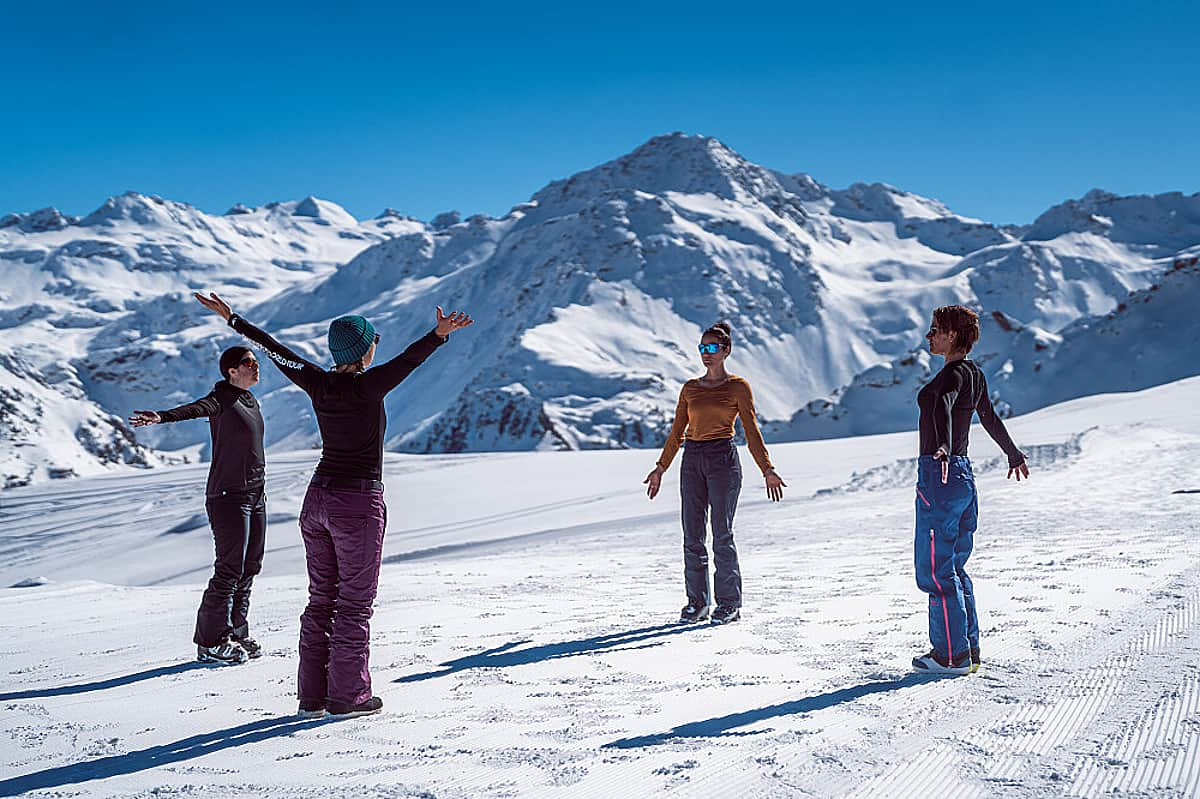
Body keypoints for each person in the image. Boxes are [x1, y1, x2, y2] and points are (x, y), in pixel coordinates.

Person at [194, 291, 473, 719]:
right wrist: (438, 335)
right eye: (372, 340)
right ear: (363, 349)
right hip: (356, 502)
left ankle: (313, 695)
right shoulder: (369, 385)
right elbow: (409, 361)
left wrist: (235, 321)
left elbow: (275, 350)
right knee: (354, 605)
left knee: (322, 598)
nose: (376, 344)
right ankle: (348, 696)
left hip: (317, 499)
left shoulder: (317, 381)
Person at [911, 305, 1030, 676]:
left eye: (935, 330)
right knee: (955, 566)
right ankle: (968, 647)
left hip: (941, 472)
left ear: (952, 336)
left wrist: (942, 447)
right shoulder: (974, 374)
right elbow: (990, 418)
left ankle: (950, 656)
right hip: (962, 475)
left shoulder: (950, 376)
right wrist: (1013, 454)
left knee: (935, 569)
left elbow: (942, 407)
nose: (929, 337)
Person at [129, 346, 266, 666]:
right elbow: (196, 408)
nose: (256, 367)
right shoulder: (221, 398)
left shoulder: (250, 399)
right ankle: (210, 641)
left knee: (249, 566)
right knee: (229, 568)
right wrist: (162, 416)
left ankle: (234, 631)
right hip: (228, 496)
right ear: (231, 371)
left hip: (255, 495)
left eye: (256, 362)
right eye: (249, 363)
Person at [644, 322, 786, 625]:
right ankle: (697, 603)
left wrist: (767, 469)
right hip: (692, 460)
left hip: (723, 459)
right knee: (692, 535)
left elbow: (751, 431)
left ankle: (729, 604)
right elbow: (676, 433)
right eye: (701, 348)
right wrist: (661, 467)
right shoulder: (690, 388)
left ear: (726, 351)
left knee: (722, 534)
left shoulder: (737, 387)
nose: (706, 354)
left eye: (712, 348)